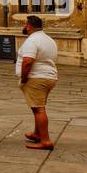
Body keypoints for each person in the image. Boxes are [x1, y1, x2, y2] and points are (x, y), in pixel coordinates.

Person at [18, 15, 58, 150]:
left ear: (29, 26)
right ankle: (37, 133)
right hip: (49, 76)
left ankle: (45, 141)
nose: (24, 27)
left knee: (38, 109)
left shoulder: (32, 40)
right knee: (39, 106)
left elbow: (28, 61)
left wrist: (24, 78)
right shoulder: (49, 39)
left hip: (36, 78)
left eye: (25, 25)